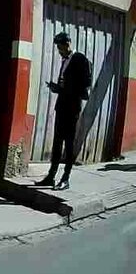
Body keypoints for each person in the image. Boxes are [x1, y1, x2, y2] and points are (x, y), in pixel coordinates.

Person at [35, 33, 91, 191]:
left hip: (72, 108)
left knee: (69, 142)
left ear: (68, 44)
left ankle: (65, 178)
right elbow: (67, 85)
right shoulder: (64, 60)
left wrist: (63, 90)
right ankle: (51, 176)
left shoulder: (79, 59)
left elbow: (85, 85)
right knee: (57, 142)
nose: (59, 51)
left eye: (60, 48)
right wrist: (57, 88)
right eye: (58, 49)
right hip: (62, 106)